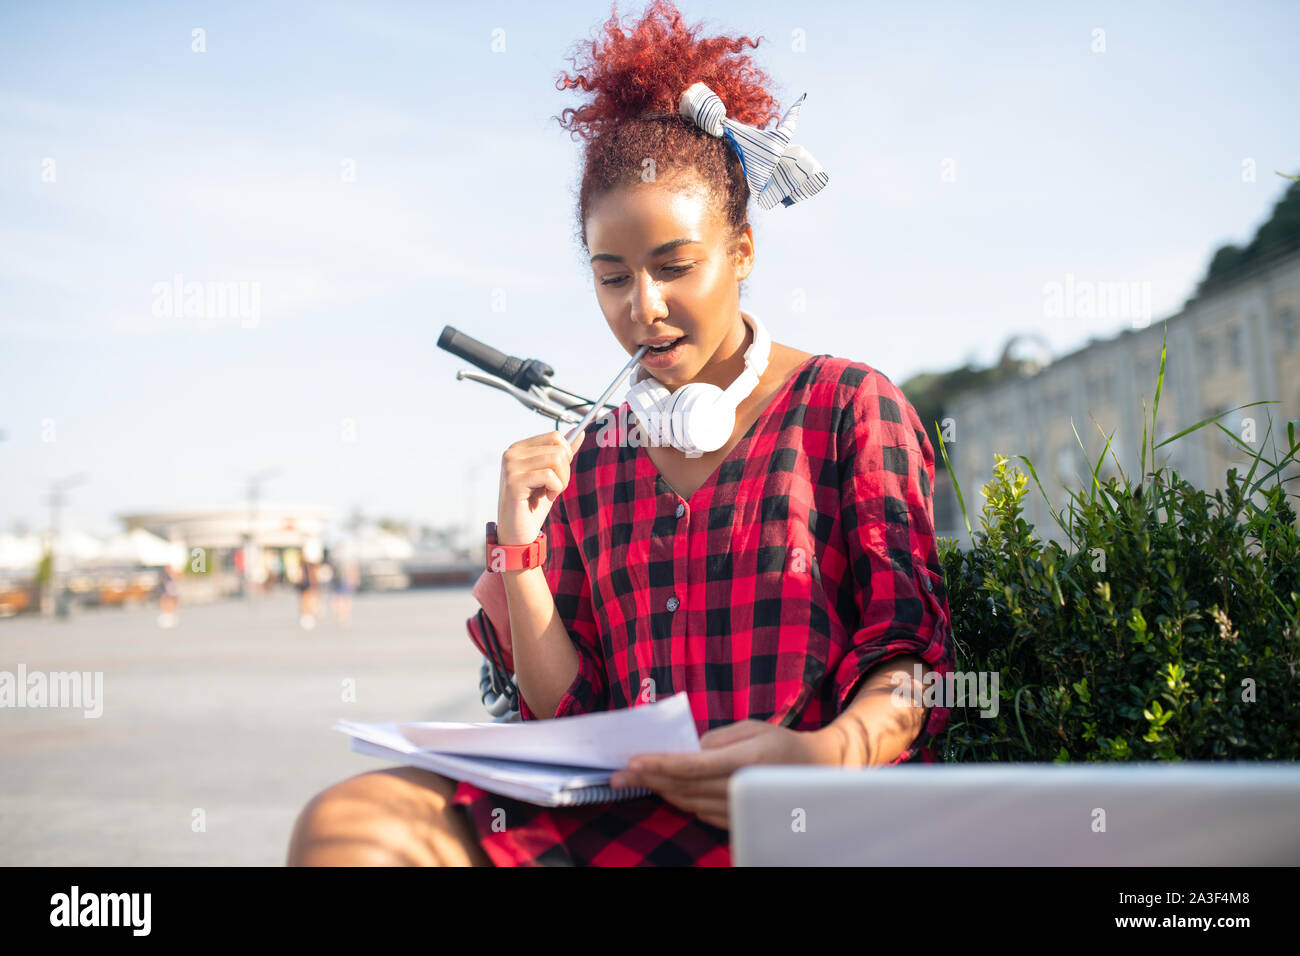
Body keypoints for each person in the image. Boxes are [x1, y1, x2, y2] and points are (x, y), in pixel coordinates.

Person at [288, 0, 954, 867]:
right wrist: (521, 553)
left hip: (800, 819)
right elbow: (563, 719)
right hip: (624, 818)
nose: (643, 308)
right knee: (348, 827)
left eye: (675, 266)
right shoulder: (593, 460)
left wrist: (822, 755)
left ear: (743, 249)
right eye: (612, 277)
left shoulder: (850, 407)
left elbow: (914, 651)